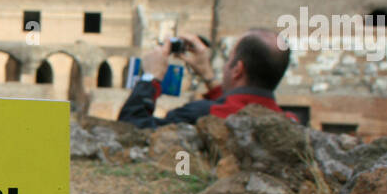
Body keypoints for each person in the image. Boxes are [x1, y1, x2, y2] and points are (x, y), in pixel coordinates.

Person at [117, 28, 294, 128]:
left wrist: (151, 78)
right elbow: (238, 109)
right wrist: (208, 77)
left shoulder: (202, 115)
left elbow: (130, 130)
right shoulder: (289, 123)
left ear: (237, 70)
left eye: (228, 60)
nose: (225, 66)